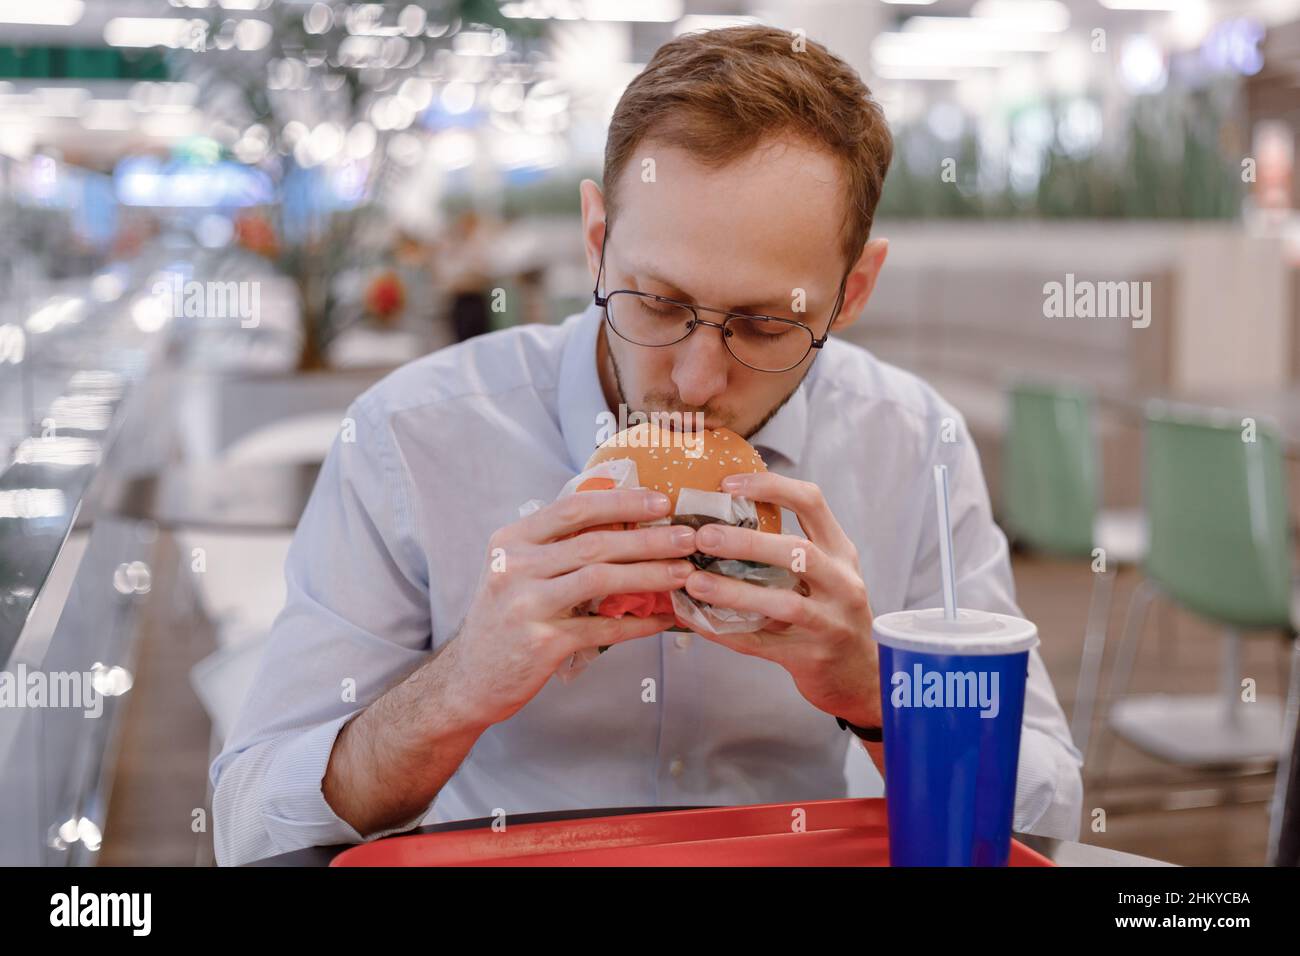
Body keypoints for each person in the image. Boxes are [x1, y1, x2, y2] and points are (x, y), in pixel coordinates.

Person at [211, 26, 1083, 866]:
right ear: (597, 244)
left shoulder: (911, 445)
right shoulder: (414, 437)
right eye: (658, 303)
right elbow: (250, 820)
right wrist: (459, 686)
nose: (697, 381)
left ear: (851, 293)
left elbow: (1047, 809)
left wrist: (876, 692)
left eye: (766, 323)